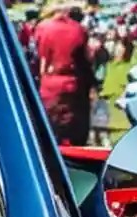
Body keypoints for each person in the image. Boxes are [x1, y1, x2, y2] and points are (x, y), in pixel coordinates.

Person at [35, 2, 95, 146]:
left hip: (49, 82)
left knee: (49, 128)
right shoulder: (78, 30)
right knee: (75, 128)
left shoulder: (43, 28)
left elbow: (38, 58)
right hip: (72, 82)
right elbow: (85, 60)